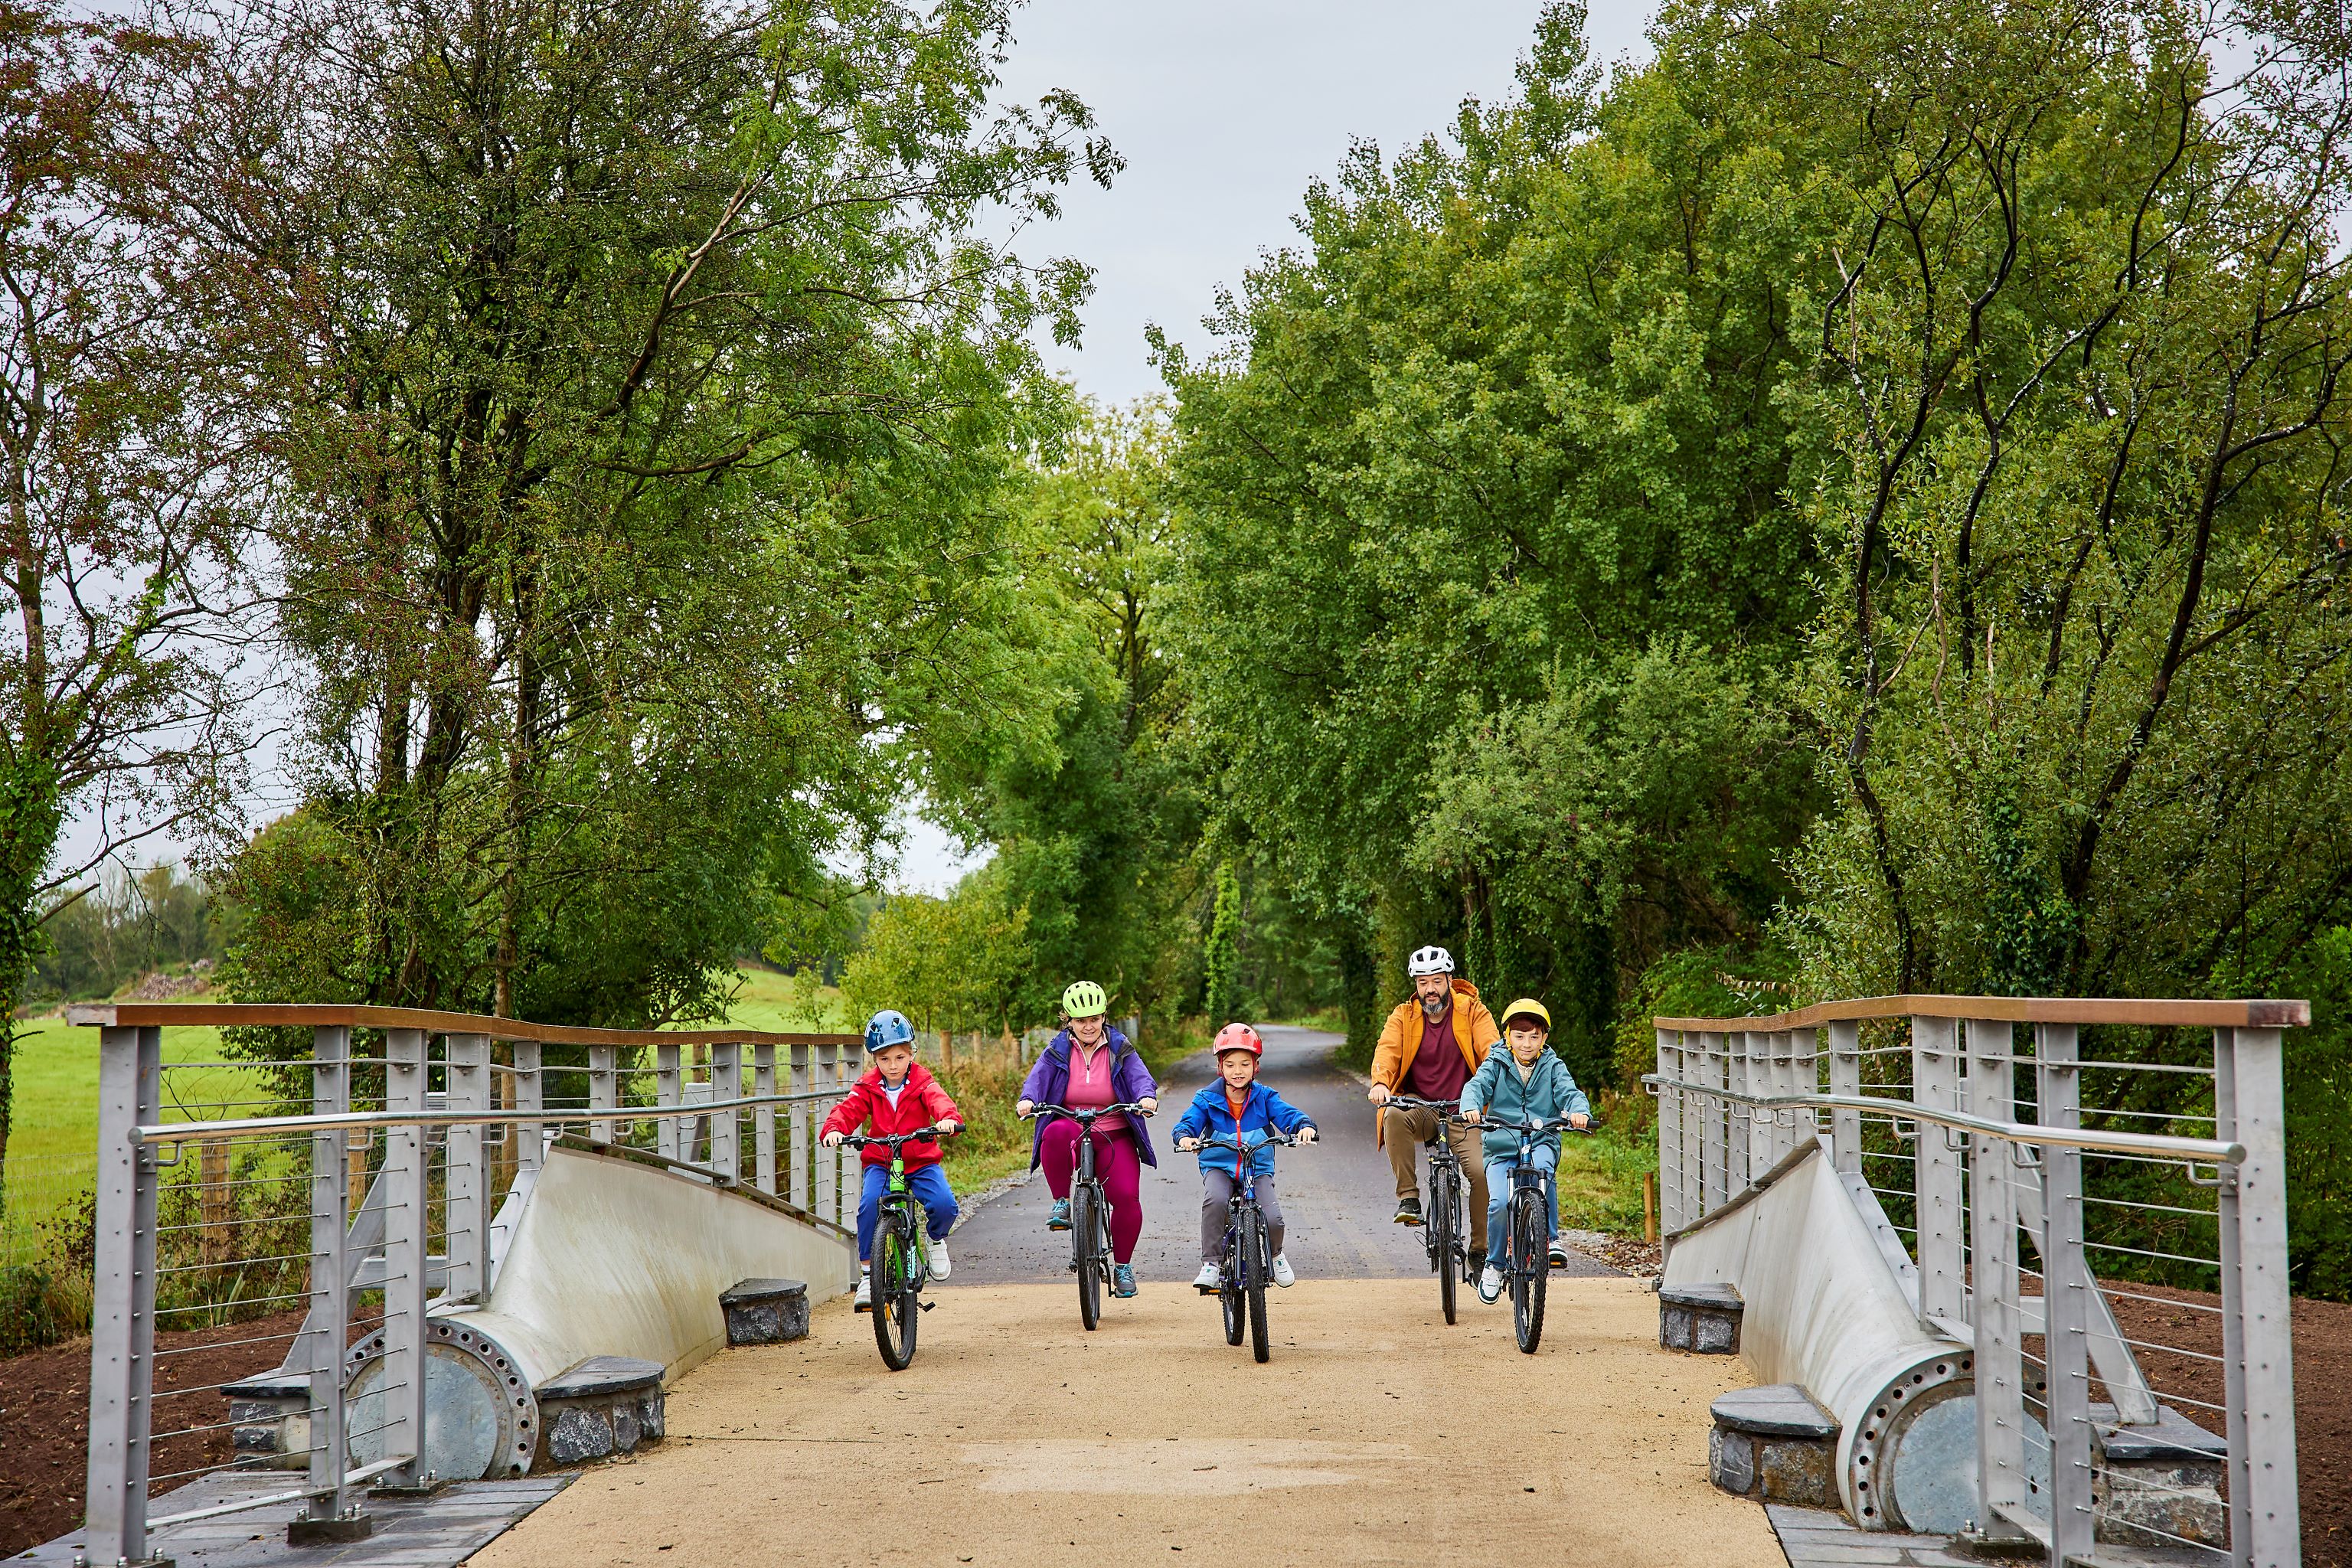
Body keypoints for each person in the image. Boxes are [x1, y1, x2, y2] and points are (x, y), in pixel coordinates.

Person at [1014, 980, 1160, 1298]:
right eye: (1081, 1020)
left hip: (1114, 1130)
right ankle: (1062, 1203)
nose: (1089, 1026)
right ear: (1069, 1020)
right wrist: (1028, 1099)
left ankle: (1122, 1267)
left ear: (1104, 1016)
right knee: (1052, 1132)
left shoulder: (1120, 1047)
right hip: (1072, 1125)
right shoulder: (1058, 1050)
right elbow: (1038, 1079)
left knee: (1126, 1198)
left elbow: (1139, 1077)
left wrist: (1146, 1097)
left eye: (1094, 1019)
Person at [822, 1008, 964, 1312]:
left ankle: (936, 1240)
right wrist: (835, 1129)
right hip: (882, 1161)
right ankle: (868, 1275)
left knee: (944, 1204)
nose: (893, 1066)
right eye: (884, 1059)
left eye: (900, 1057)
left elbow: (940, 1102)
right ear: (874, 1059)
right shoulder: (868, 1085)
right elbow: (849, 1110)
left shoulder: (923, 1082)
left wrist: (948, 1120)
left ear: (911, 1053)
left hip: (921, 1160)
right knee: (869, 1204)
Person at [1367, 945, 1497, 1256]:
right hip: (1421, 1108)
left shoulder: (1472, 1011)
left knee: (1481, 1173)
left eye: (1436, 981)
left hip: (1466, 1112)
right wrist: (1381, 1083)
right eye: (1423, 983)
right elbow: (1387, 1051)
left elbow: (1492, 1050)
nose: (1430, 990)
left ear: (1449, 980)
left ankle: (1481, 1250)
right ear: (1416, 985)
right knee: (1392, 1113)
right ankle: (1409, 1197)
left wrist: (1495, 1086)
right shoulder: (1403, 1016)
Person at [1459, 998, 1589, 1304]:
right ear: (1507, 1037)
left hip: (1541, 1138)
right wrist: (1471, 1107)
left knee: (1544, 1173)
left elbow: (1570, 1093)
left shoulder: (1553, 1066)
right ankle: (1494, 1264)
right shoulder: (1496, 1061)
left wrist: (1577, 1111)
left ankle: (1550, 1240)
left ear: (1544, 1038)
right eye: (1519, 1036)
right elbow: (1476, 1086)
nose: (1526, 1043)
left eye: (1534, 1036)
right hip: (1502, 1144)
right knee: (1499, 1203)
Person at [1172, 1022, 1318, 1291]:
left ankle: (1275, 1255)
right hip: (1219, 1166)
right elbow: (1187, 1123)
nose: (1237, 1071)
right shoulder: (1206, 1099)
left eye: (1244, 1064)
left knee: (1273, 1217)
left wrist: (1304, 1127)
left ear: (1255, 1066)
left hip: (1257, 1168)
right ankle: (1211, 1264)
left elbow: (1288, 1115)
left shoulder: (1264, 1097)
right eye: (1230, 1065)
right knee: (1215, 1201)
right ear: (1220, 1068)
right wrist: (1185, 1137)